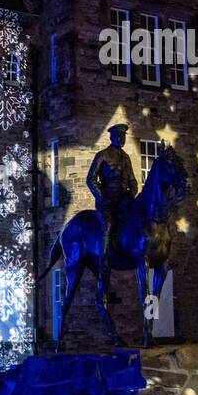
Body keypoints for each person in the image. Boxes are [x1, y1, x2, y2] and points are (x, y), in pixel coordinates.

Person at [85, 124, 138, 307]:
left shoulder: (126, 158)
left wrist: (131, 194)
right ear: (112, 137)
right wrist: (102, 197)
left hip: (122, 201)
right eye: (119, 135)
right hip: (106, 203)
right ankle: (104, 261)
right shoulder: (103, 156)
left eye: (123, 136)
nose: (122, 138)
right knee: (108, 226)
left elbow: (132, 181)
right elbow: (90, 179)